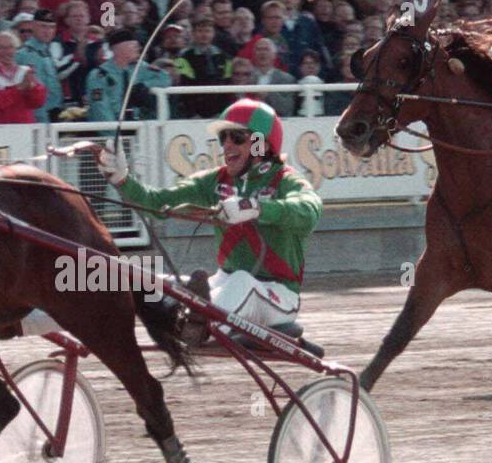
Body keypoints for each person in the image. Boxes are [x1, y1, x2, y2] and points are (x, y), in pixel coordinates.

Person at [19, 99, 322, 342]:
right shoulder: (213, 181)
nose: (227, 145)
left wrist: (256, 208)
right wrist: (123, 180)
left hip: (278, 296)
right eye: (223, 137)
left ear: (261, 145)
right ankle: (27, 321)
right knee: (135, 278)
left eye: (237, 137)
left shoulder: (286, 181)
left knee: (242, 281)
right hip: (224, 284)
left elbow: (309, 211)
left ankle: (193, 323)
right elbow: (155, 202)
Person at [0, 30, 46, 124]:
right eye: (1, 48)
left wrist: (33, 88)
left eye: (10, 47)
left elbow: (37, 103)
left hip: (24, 130)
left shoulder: (25, 71)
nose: (7, 51)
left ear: (16, 50)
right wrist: (19, 88)